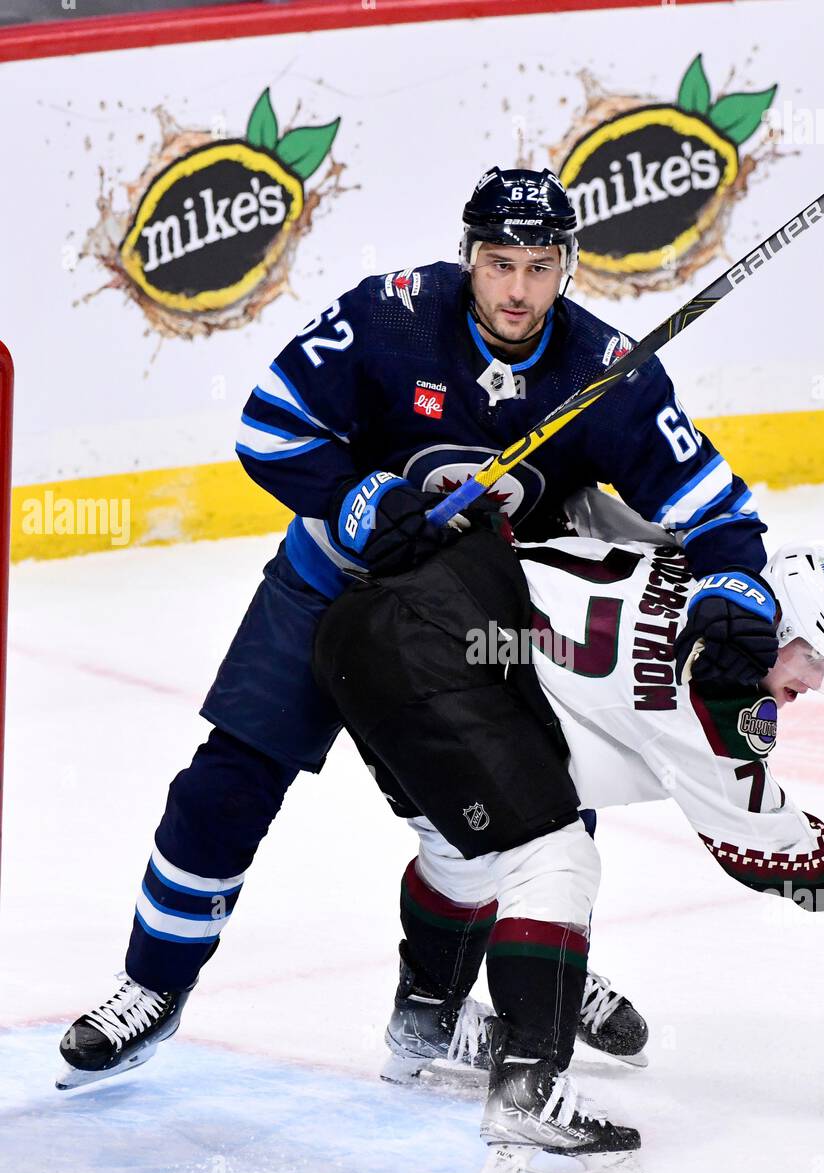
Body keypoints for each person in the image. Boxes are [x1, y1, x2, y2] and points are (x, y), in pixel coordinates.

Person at [57, 168, 776, 1090]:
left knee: (544, 806)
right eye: (498, 263)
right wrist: (353, 496)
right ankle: (148, 987)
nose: (517, 291)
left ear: (569, 267)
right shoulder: (392, 318)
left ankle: (533, 964)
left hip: (478, 622)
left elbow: (715, 508)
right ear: (467, 255)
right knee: (228, 782)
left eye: (540, 267)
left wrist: (737, 588)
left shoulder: (609, 375)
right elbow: (271, 426)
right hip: (329, 583)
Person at [313, 505, 824, 1173]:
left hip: (363, 635)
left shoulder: (690, 560)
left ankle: (426, 1017)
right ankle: (527, 1092)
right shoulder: (711, 688)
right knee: (556, 858)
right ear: (778, 626)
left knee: (463, 848)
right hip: (441, 660)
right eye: (814, 655)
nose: (814, 683)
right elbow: (759, 847)